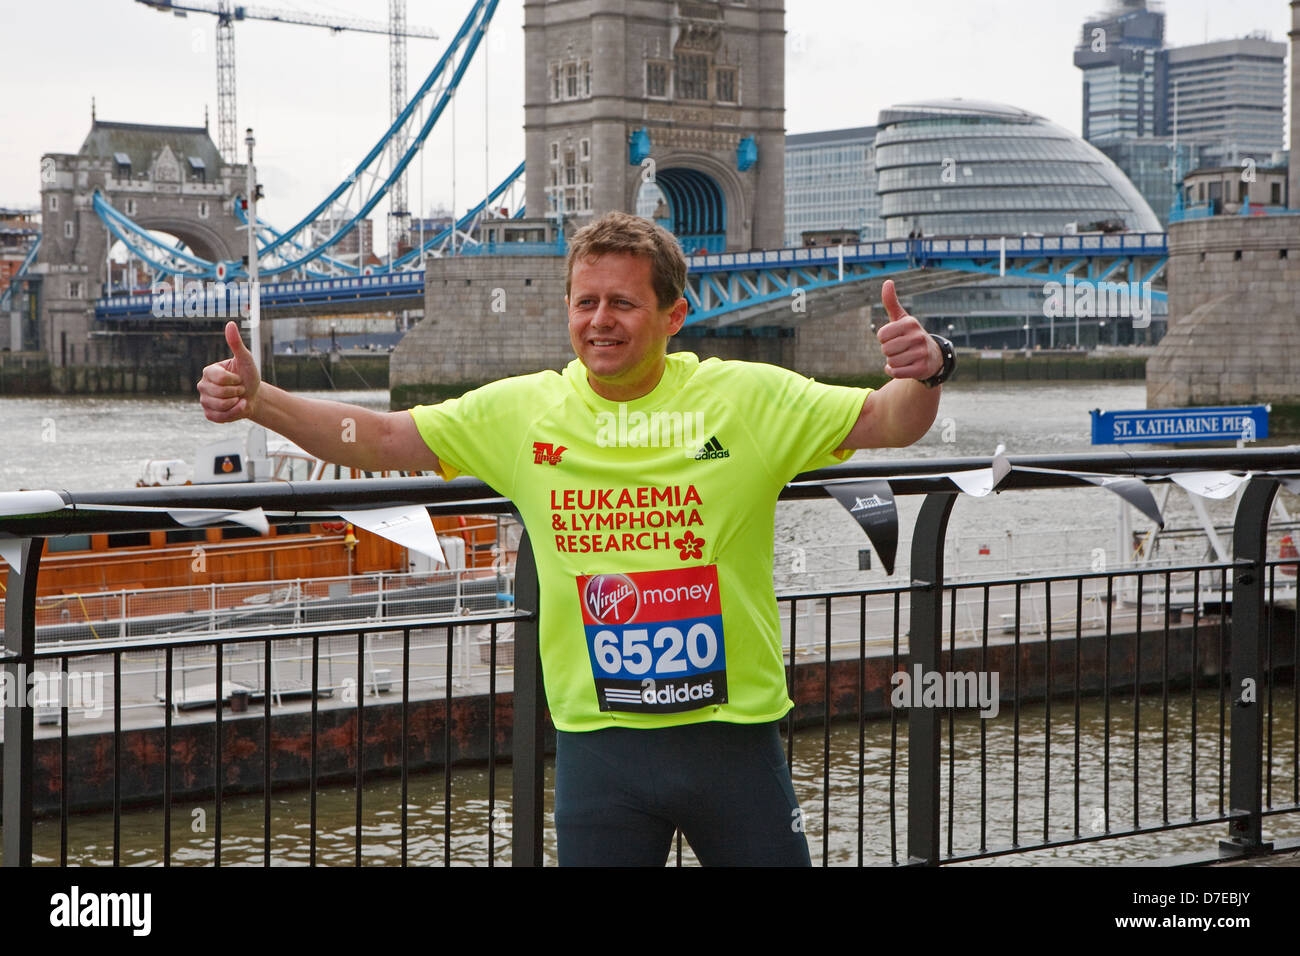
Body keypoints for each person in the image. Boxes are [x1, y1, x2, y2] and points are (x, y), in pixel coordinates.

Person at [198, 210, 951, 866]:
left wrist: (926, 371)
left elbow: (888, 421)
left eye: (623, 303)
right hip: (600, 744)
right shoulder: (525, 413)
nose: (601, 321)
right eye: (585, 302)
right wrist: (262, 401)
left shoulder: (746, 397)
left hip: (732, 737)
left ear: (673, 315)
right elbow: (384, 436)